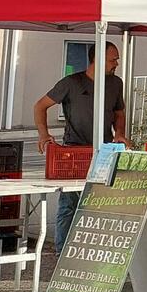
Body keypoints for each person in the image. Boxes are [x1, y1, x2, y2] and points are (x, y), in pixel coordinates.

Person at [32, 42, 128, 246]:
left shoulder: (115, 83)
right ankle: (62, 250)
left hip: (105, 152)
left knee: (101, 202)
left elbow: (119, 113)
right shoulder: (71, 83)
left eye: (117, 59)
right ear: (98, 59)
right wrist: (43, 134)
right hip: (74, 151)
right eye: (113, 59)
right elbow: (40, 106)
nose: (117, 63)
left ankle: (92, 247)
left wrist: (119, 133)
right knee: (70, 203)